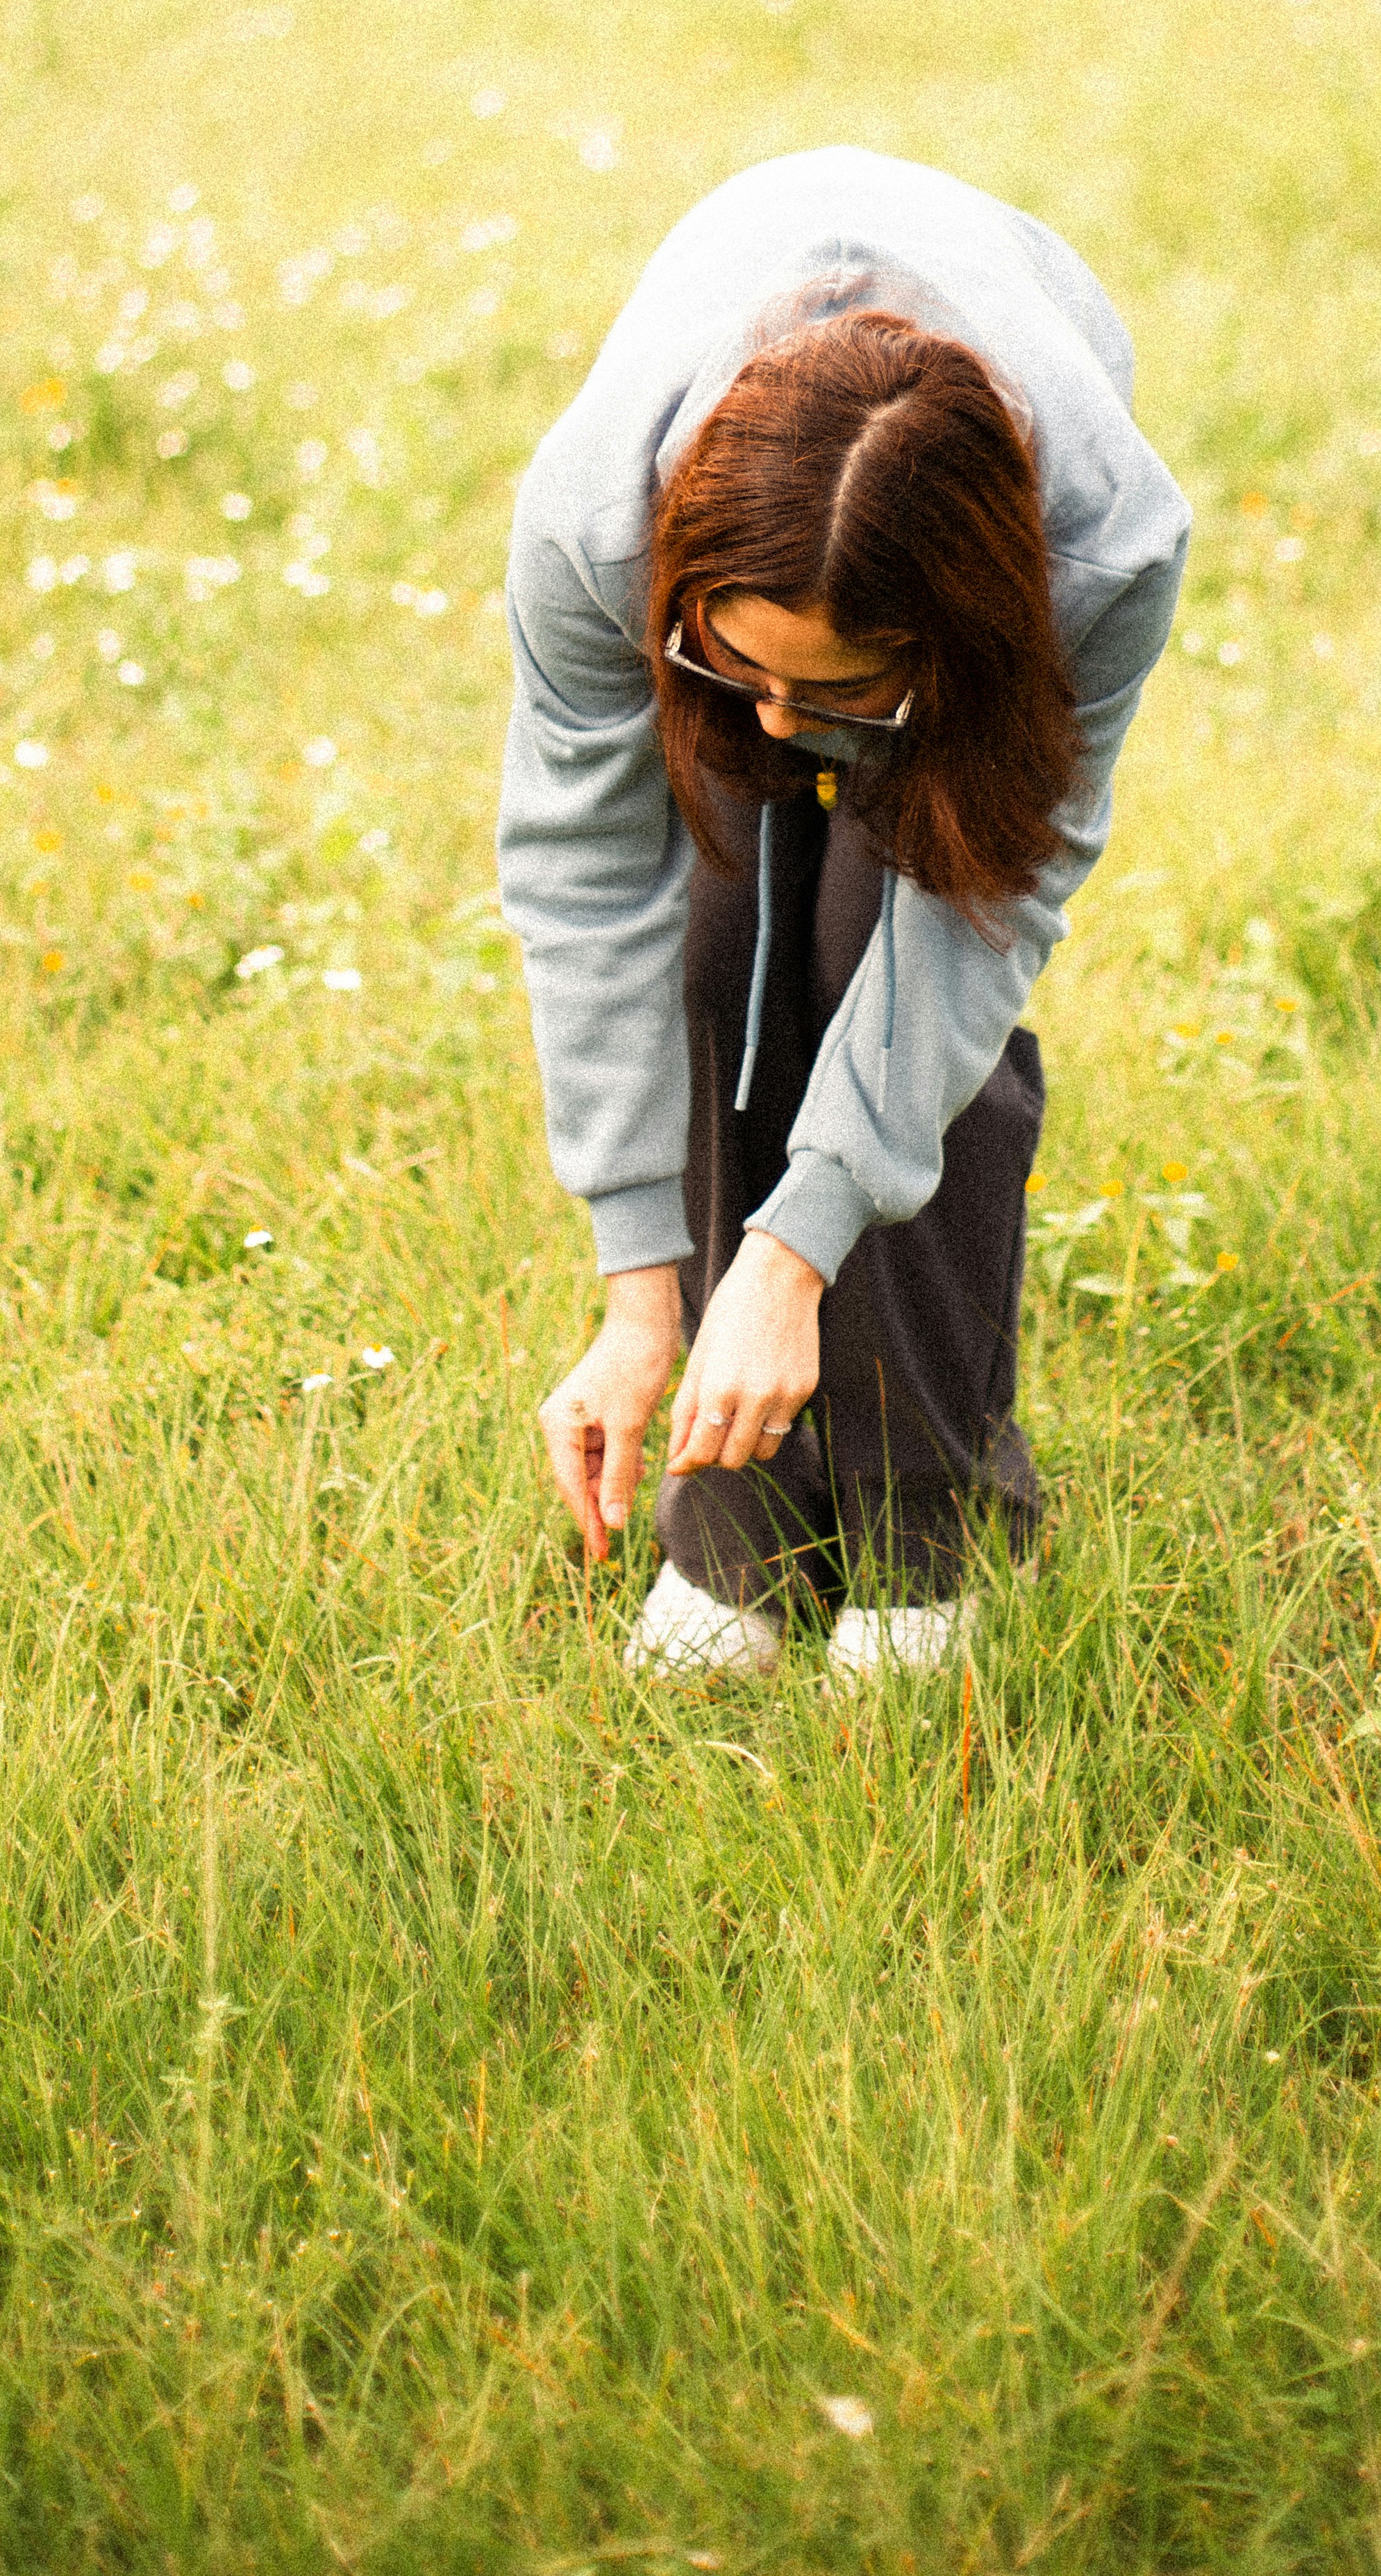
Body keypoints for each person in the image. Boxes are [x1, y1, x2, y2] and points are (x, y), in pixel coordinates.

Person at [501, 147, 1189, 1681]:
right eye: (737, 669)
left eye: (828, 693)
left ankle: (927, 1534)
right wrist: (642, 1294)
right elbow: (587, 884)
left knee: (889, 945)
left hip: (985, 577)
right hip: (720, 538)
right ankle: (734, 1536)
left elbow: (974, 928)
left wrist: (792, 1250)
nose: (776, 723)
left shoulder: (1102, 556)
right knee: (723, 932)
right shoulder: (593, 531)